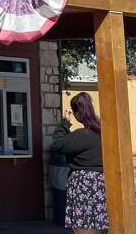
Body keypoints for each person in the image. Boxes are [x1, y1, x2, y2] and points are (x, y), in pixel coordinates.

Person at [51, 92, 108, 234]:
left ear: (77, 113)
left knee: (82, 226)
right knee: (95, 223)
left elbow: (58, 144)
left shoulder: (83, 134)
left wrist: (65, 122)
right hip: (99, 182)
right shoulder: (103, 132)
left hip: (82, 183)